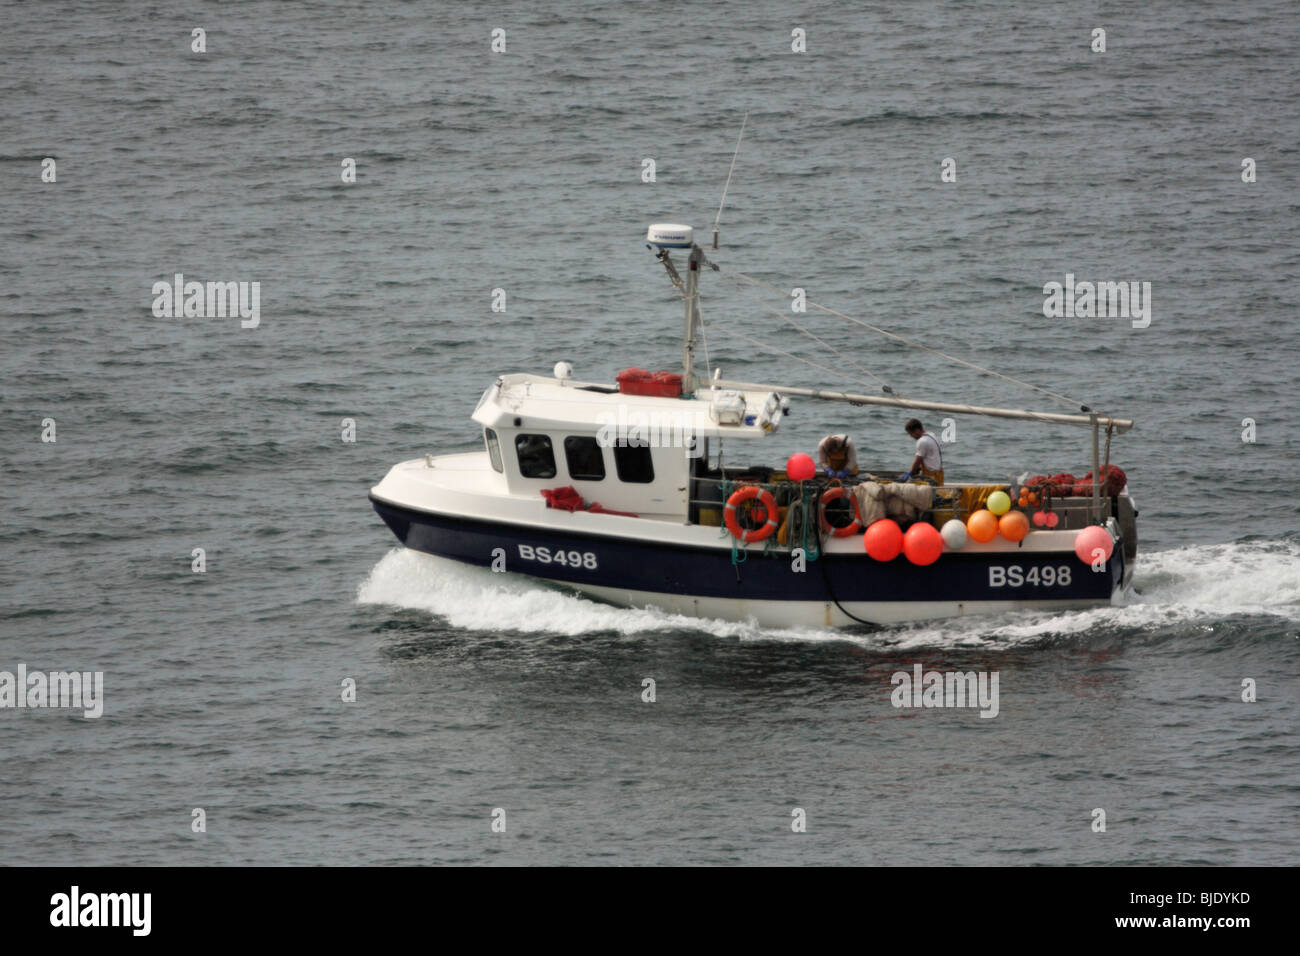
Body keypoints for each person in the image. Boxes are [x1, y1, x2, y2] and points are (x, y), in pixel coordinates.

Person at [898, 419, 944, 484]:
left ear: (917, 430)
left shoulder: (922, 441)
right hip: (939, 474)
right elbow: (930, 456)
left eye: (911, 433)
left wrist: (911, 473)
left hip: (931, 477)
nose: (911, 436)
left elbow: (917, 461)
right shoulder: (931, 435)